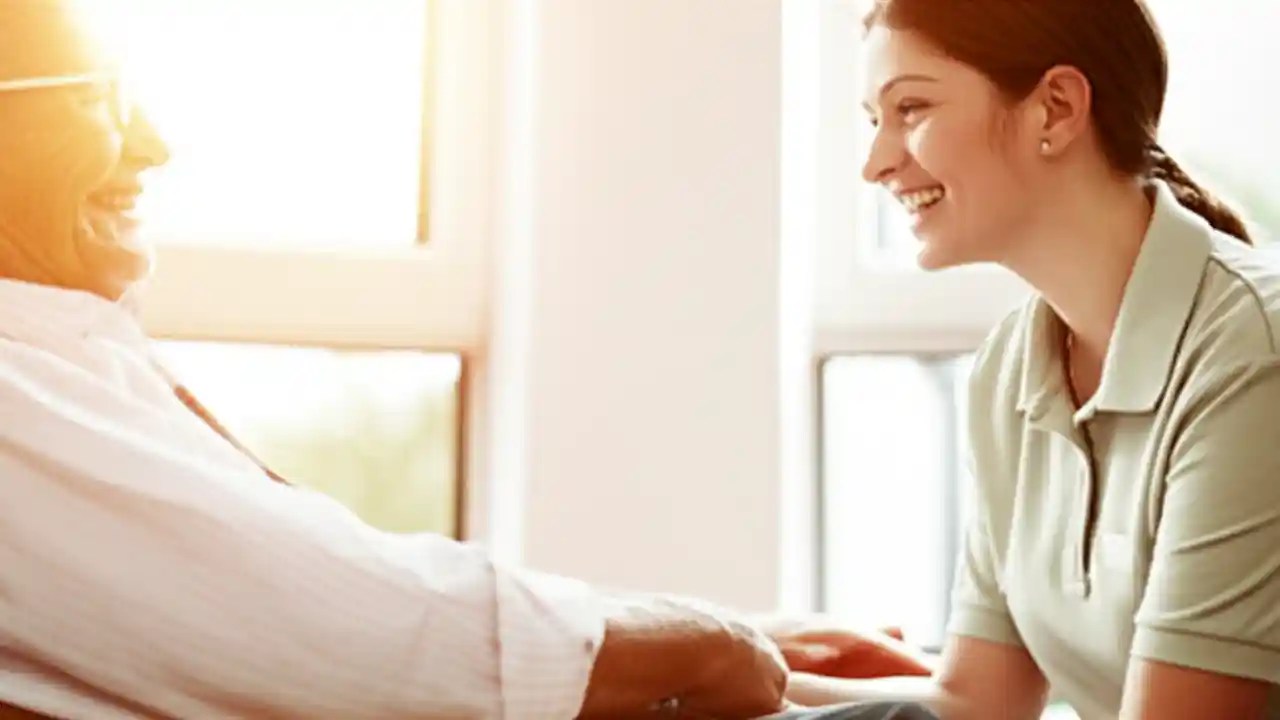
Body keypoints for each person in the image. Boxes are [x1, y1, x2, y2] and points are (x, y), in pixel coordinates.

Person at [0, 3, 946, 719]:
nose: (155, 148)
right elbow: (337, 627)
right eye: (101, 104)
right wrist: (696, 644)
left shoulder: (66, 350)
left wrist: (703, 629)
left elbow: (321, 576)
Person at [782, 1, 1280, 718]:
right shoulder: (1010, 369)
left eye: (911, 108)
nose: (876, 162)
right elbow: (974, 703)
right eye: (874, 120)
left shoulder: (1250, 353)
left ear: (1055, 109)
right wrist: (718, 673)